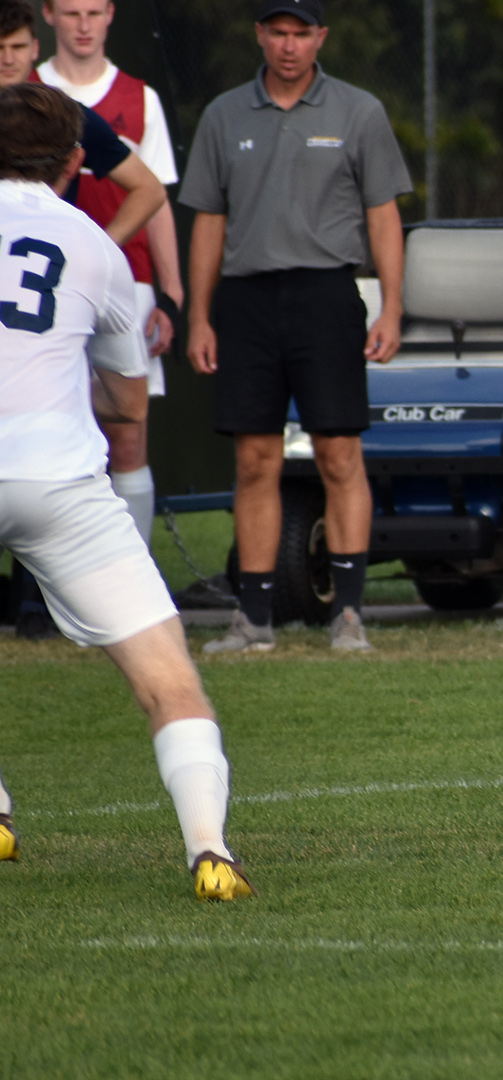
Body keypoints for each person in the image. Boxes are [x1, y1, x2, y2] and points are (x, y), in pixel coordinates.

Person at [0, 83, 252, 900]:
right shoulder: (95, 246)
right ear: (77, 162)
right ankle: (210, 851)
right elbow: (128, 399)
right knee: (168, 681)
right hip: (59, 481)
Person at [180, 0, 410, 653]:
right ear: (259, 35)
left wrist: (392, 306)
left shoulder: (358, 110)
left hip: (326, 294)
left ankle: (350, 615)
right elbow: (209, 221)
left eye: (300, 33)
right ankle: (253, 620)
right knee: (254, 459)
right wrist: (200, 314)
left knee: (340, 454)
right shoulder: (224, 114)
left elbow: (383, 215)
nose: (287, 45)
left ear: (321, 38)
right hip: (247, 301)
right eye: (277, 32)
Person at [0, 0, 164, 640]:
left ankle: (66, 596)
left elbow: (148, 188)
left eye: (16, 49)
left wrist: (96, 246)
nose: (8, 61)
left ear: (31, 45)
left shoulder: (60, 116)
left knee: (92, 437)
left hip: (43, 311)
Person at [36, 0, 188, 549]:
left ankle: (133, 572)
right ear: (48, 16)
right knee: (51, 430)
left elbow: (157, 198)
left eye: (94, 12)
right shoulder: (26, 96)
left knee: (127, 433)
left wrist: (170, 295)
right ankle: (45, 591)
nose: (83, 24)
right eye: (72, 12)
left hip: (126, 284)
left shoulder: (139, 98)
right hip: (43, 288)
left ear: (111, 16)